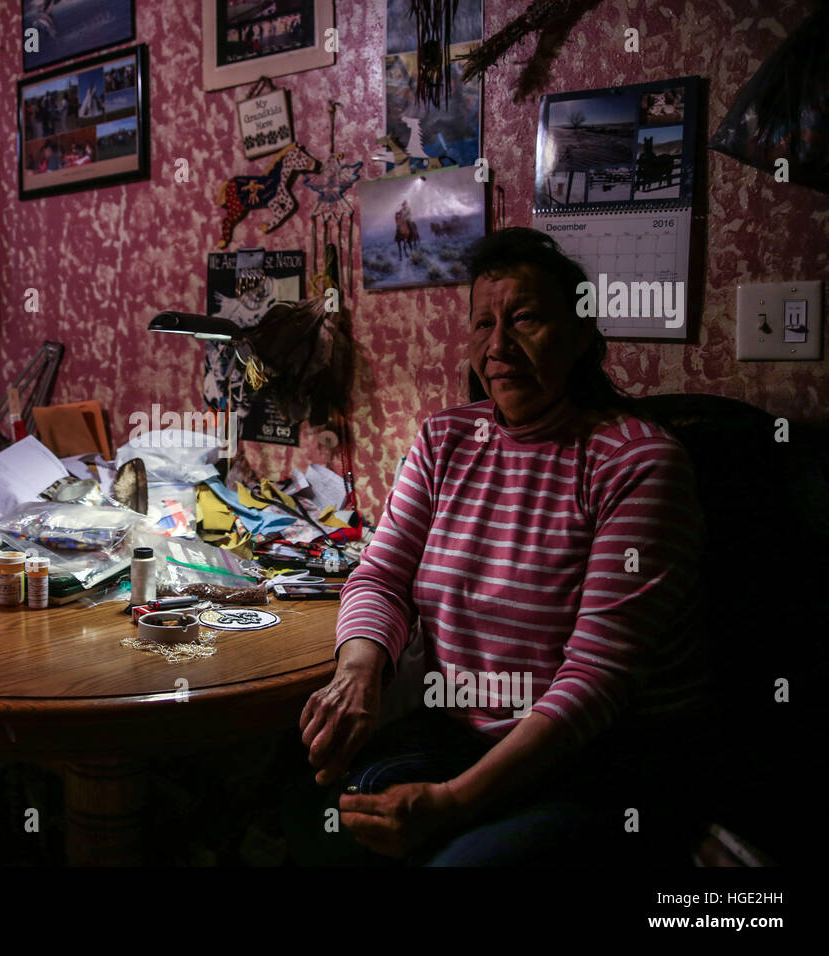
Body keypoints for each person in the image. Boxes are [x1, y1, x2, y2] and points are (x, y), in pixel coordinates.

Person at [291, 227, 711, 866]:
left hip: (588, 760)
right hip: (463, 733)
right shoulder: (445, 441)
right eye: (482, 324)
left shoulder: (639, 464)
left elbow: (596, 680)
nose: (498, 347)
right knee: (310, 810)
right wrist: (357, 672)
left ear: (579, 335)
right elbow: (380, 579)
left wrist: (451, 804)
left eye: (525, 319)